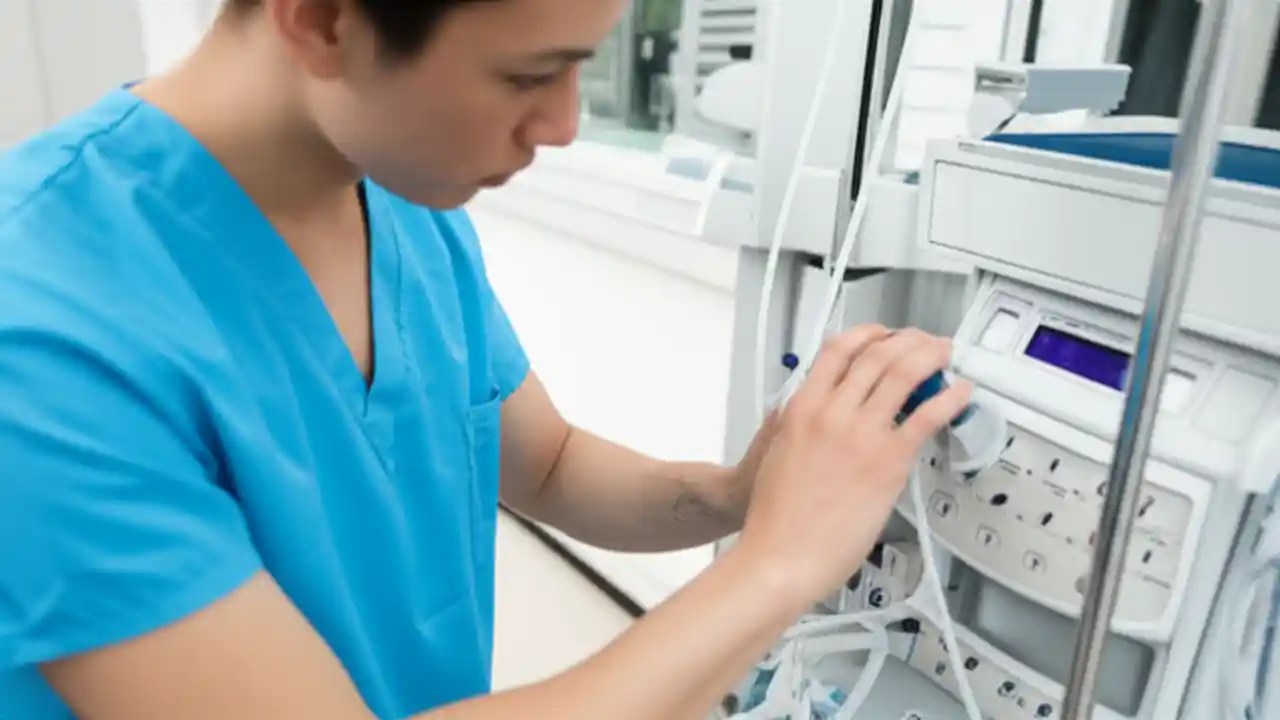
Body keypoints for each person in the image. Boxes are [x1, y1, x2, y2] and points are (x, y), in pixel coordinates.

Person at [0, 0, 972, 718]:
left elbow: (545, 463)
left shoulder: (396, 193)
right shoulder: (44, 322)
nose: (561, 128)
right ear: (325, 20)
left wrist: (739, 494)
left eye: (578, 70)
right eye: (524, 76)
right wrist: (775, 566)